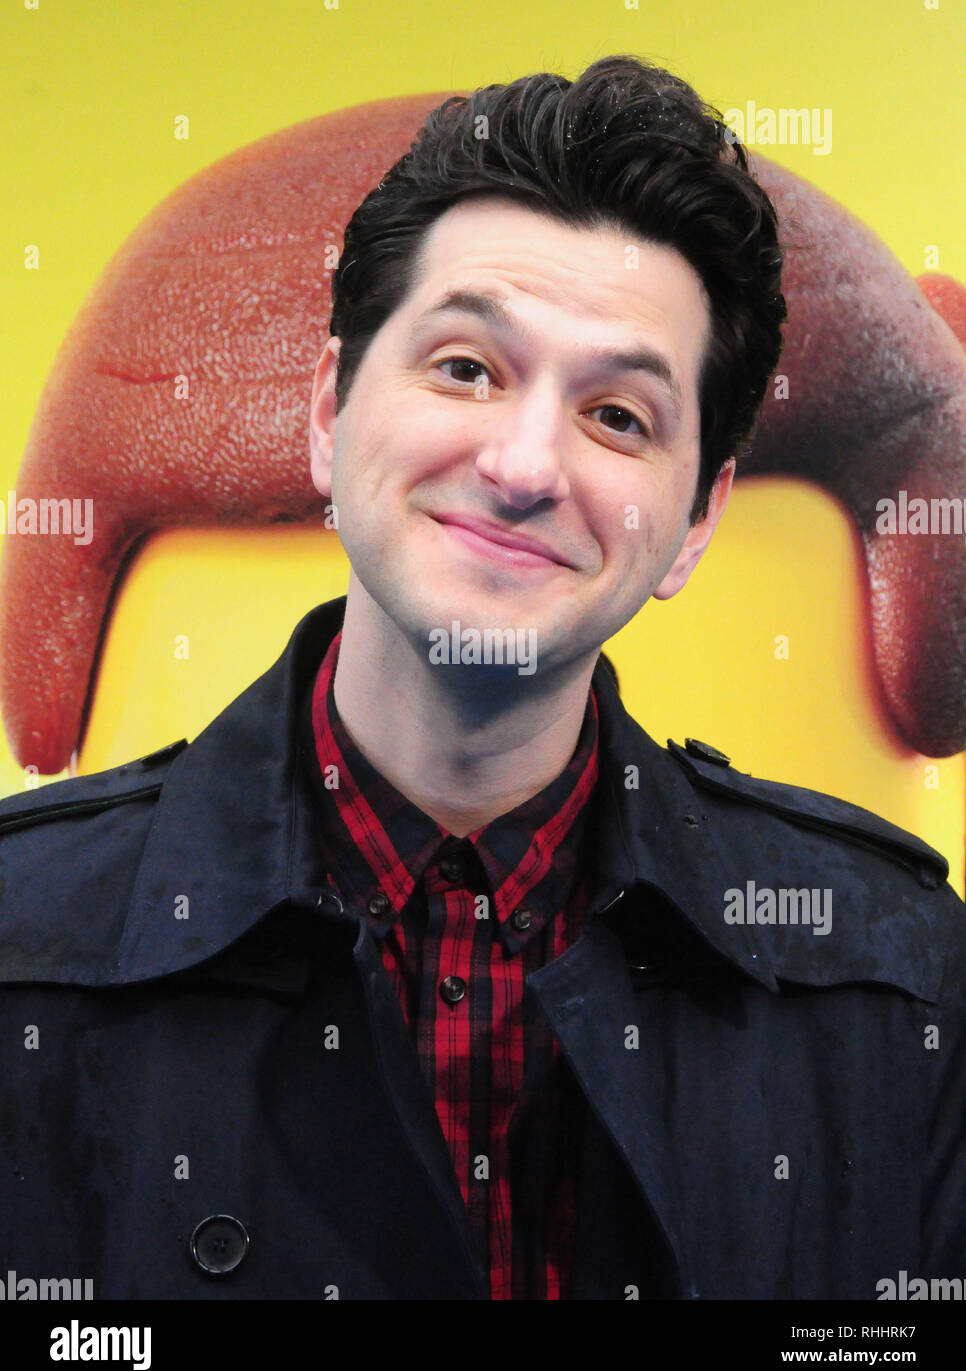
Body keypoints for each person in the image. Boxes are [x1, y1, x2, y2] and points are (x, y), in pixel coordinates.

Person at [0, 54, 963, 1303]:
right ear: (328, 415)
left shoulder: (901, 983)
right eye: (465, 368)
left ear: (695, 524)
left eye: (620, 416)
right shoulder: (23, 946)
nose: (523, 464)